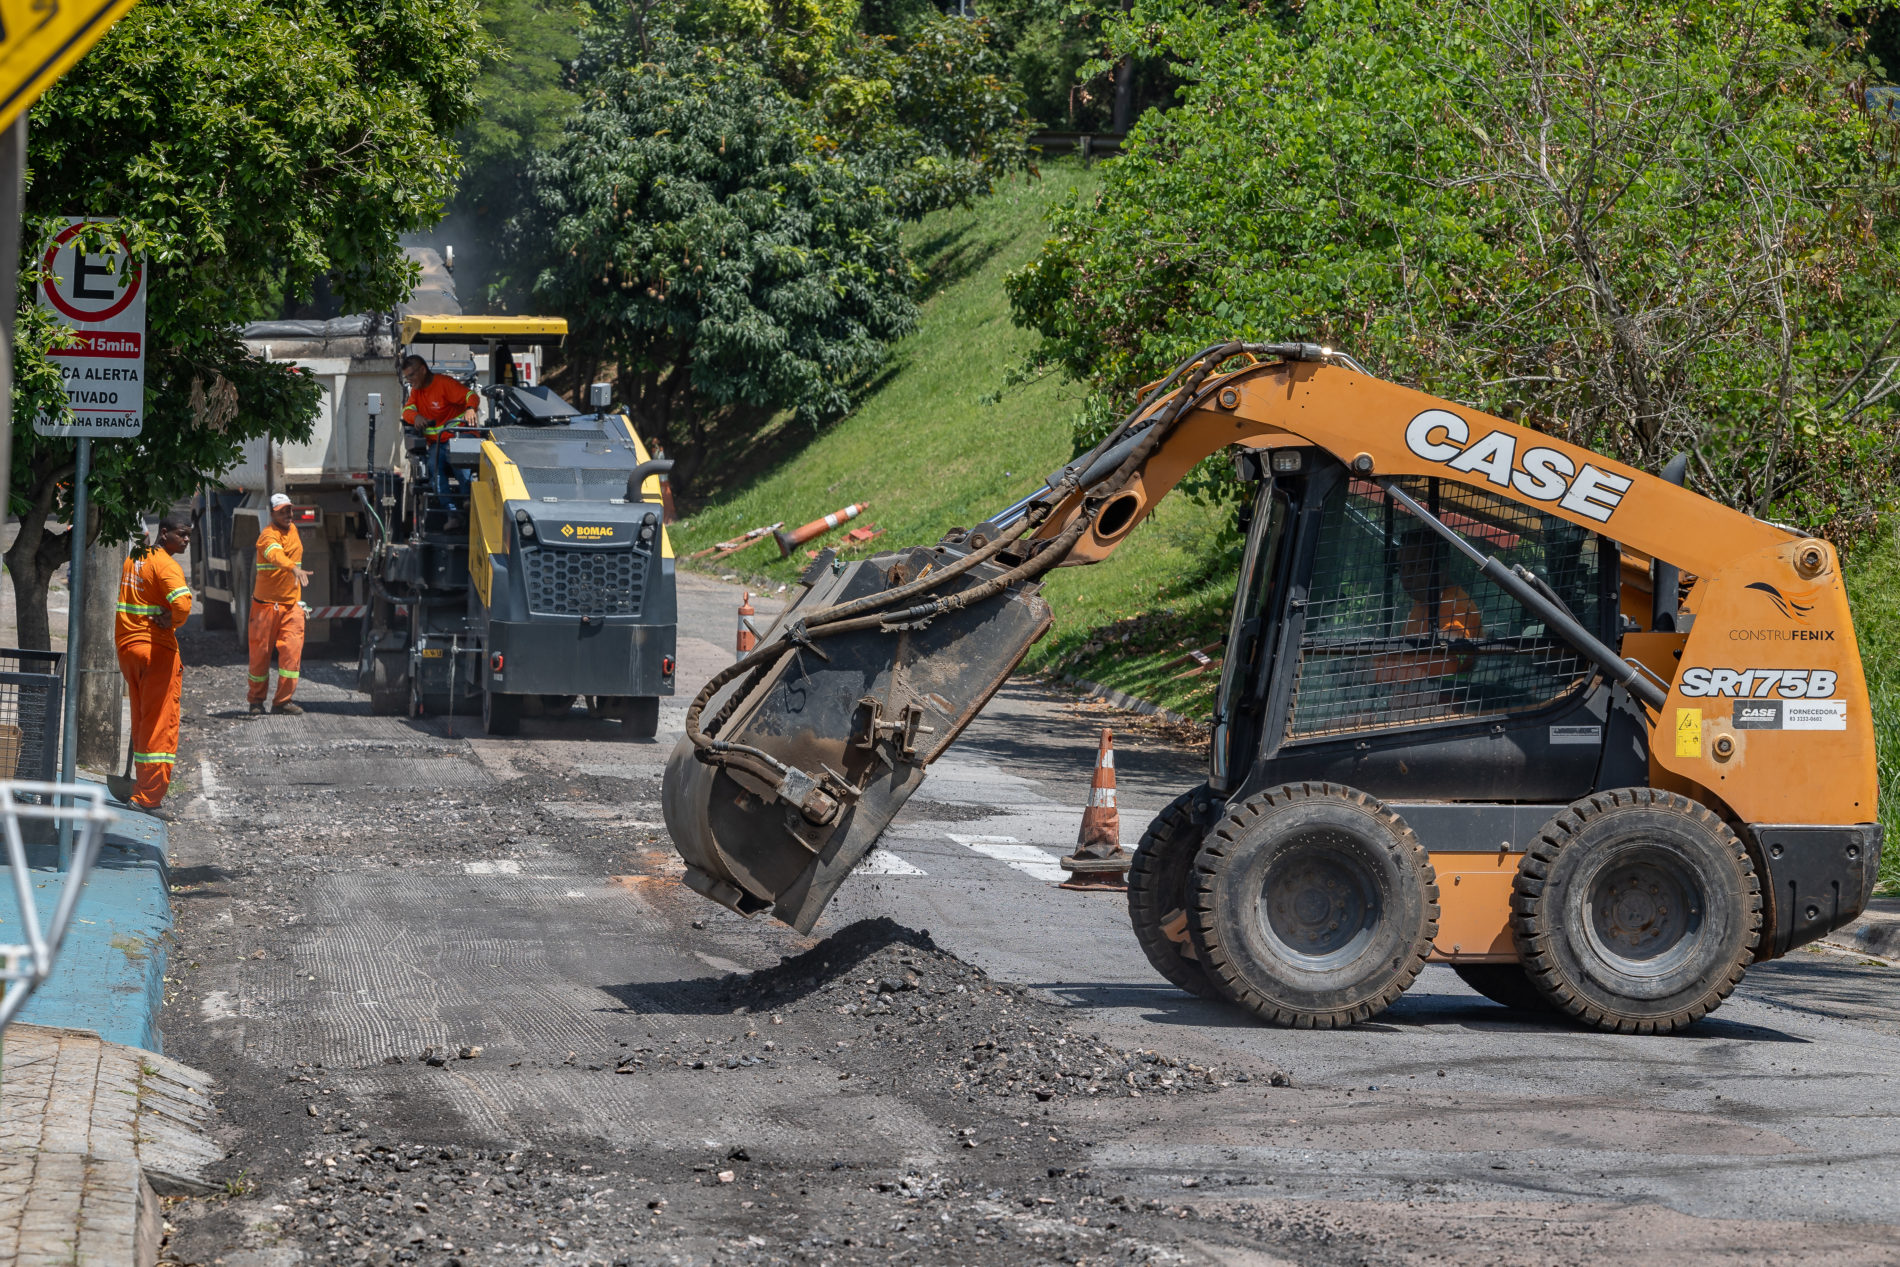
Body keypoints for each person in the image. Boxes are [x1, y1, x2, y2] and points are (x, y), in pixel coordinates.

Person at [115, 515, 194, 814]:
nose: (186, 540)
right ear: (164, 533)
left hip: (127, 648)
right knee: (160, 723)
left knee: (142, 718)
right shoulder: (166, 565)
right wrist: (173, 619)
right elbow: (184, 603)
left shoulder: (134, 558)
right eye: (182, 534)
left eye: (188, 535)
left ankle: (140, 788)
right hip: (155, 651)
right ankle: (148, 797)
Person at [1376, 528, 1484, 690]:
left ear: (1441, 566)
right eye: (1402, 567)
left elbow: (1436, 667)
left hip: (1439, 704)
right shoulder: (1424, 602)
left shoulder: (1456, 608)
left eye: (1416, 566)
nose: (1405, 575)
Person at [250, 492, 313, 715]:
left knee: (292, 654)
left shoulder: (293, 530)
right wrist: (293, 568)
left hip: (291, 605)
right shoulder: (267, 536)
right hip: (266, 606)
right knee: (260, 655)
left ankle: (283, 701)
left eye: (289, 509)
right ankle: (256, 701)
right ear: (272, 513)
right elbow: (275, 555)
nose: (288, 514)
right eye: (282, 511)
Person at [400, 353, 479, 527]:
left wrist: (471, 409)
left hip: (460, 436)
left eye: (411, 375)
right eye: (407, 377)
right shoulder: (416, 392)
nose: (409, 380)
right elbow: (407, 411)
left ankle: (468, 499)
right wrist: (416, 417)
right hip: (439, 442)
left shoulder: (444, 384)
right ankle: (452, 515)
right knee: (433, 469)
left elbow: (470, 396)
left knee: (458, 459)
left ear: (422, 370)